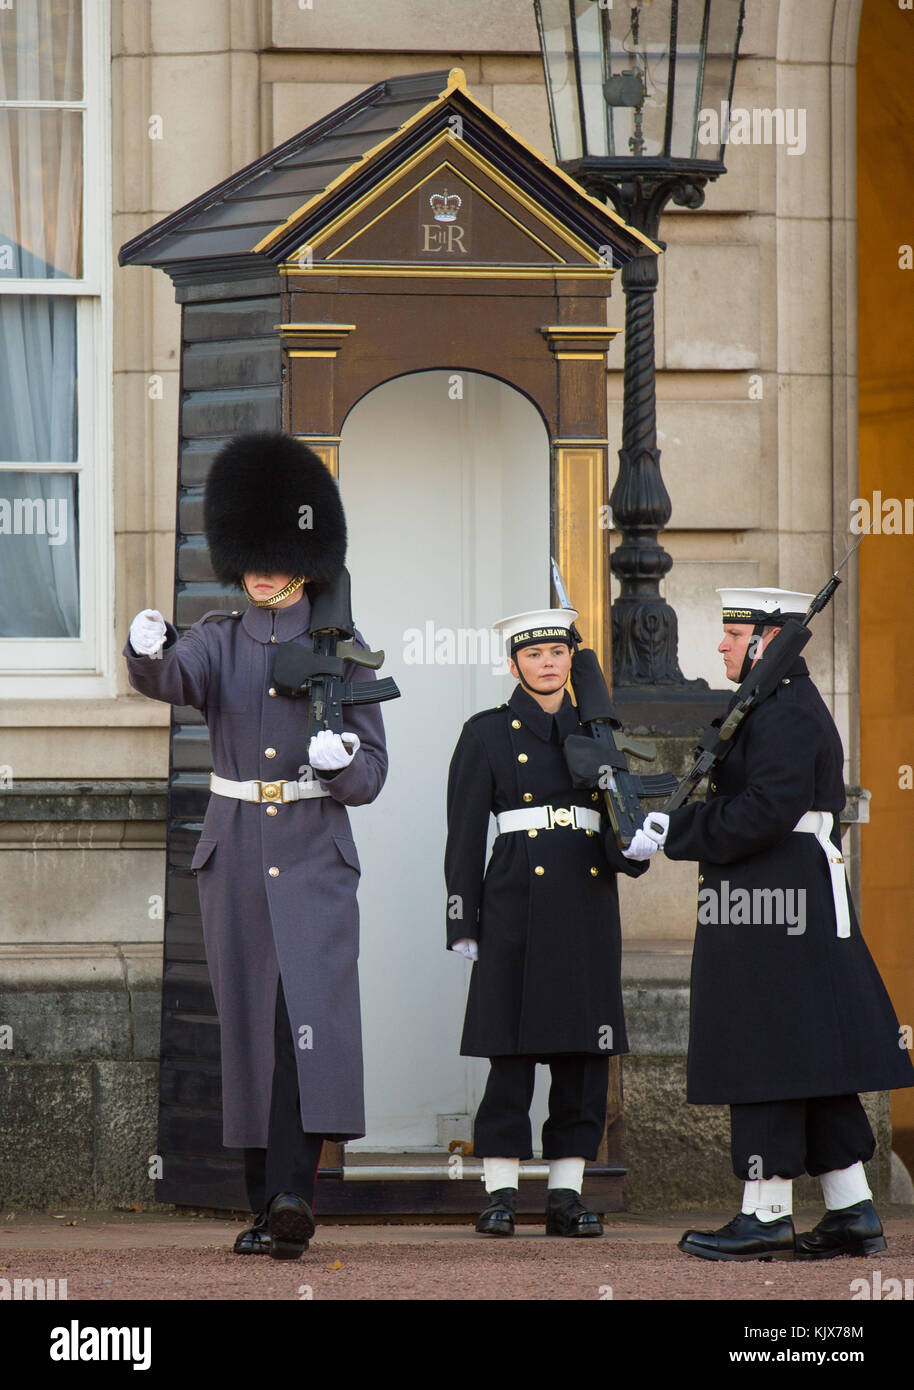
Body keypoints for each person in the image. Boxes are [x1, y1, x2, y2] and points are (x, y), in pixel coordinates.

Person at [124, 431, 389, 1260]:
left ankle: (291, 1194)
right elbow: (174, 678)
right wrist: (144, 650)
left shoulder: (343, 649)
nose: (261, 574)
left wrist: (341, 765)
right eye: (251, 561)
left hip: (313, 855)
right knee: (249, 1029)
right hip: (237, 853)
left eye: (275, 559)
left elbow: (374, 771)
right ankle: (261, 1199)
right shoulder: (219, 636)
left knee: (298, 1022)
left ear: (304, 560)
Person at [624, 587, 914, 1260]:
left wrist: (680, 829)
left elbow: (763, 811)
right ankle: (851, 1210)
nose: (721, 644)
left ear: (766, 639)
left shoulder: (783, 711)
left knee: (767, 1052)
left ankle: (765, 1212)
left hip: (774, 899)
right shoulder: (770, 705)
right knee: (812, 1055)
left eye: (734, 633)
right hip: (778, 897)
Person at [445, 608, 649, 1237]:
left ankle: (566, 1194)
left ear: (569, 661)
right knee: (510, 1054)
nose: (549, 663)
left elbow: (620, 827)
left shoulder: (598, 734)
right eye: (535, 655)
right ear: (514, 665)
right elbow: (463, 836)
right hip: (514, 904)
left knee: (583, 1058)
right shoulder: (484, 733)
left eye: (558, 653)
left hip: (586, 906)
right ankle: (500, 1192)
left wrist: (636, 847)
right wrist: (463, 918)